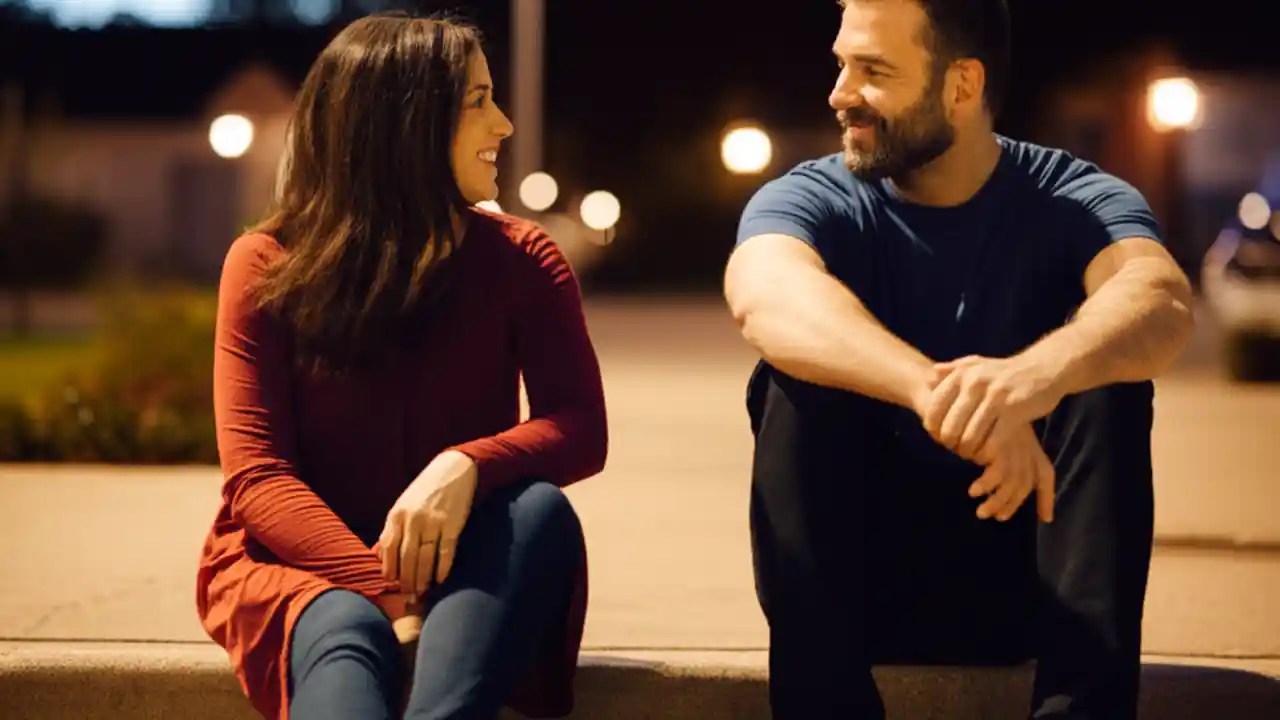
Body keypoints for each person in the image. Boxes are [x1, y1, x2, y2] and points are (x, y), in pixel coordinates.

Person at [723, 1, 1194, 718]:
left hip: (1034, 594)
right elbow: (763, 295)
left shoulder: (1068, 197)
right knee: (791, 381)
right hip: (859, 596)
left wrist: (1030, 381)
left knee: (1110, 388)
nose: (840, 93)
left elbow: (1159, 300)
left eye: (873, 71)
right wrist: (941, 393)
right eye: (842, 64)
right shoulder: (816, 196)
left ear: (962, 87)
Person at [195, 12, 607, 720]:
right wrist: (382, 591)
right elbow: (258, 481)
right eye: (477, 101)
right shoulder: (266, 263)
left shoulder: (523, 260)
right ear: (404, 125)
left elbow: (579, 427)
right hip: (297, 565)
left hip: (464, 561)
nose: (503, 125)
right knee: (344, 632)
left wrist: (466, 465)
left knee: (536, 511)